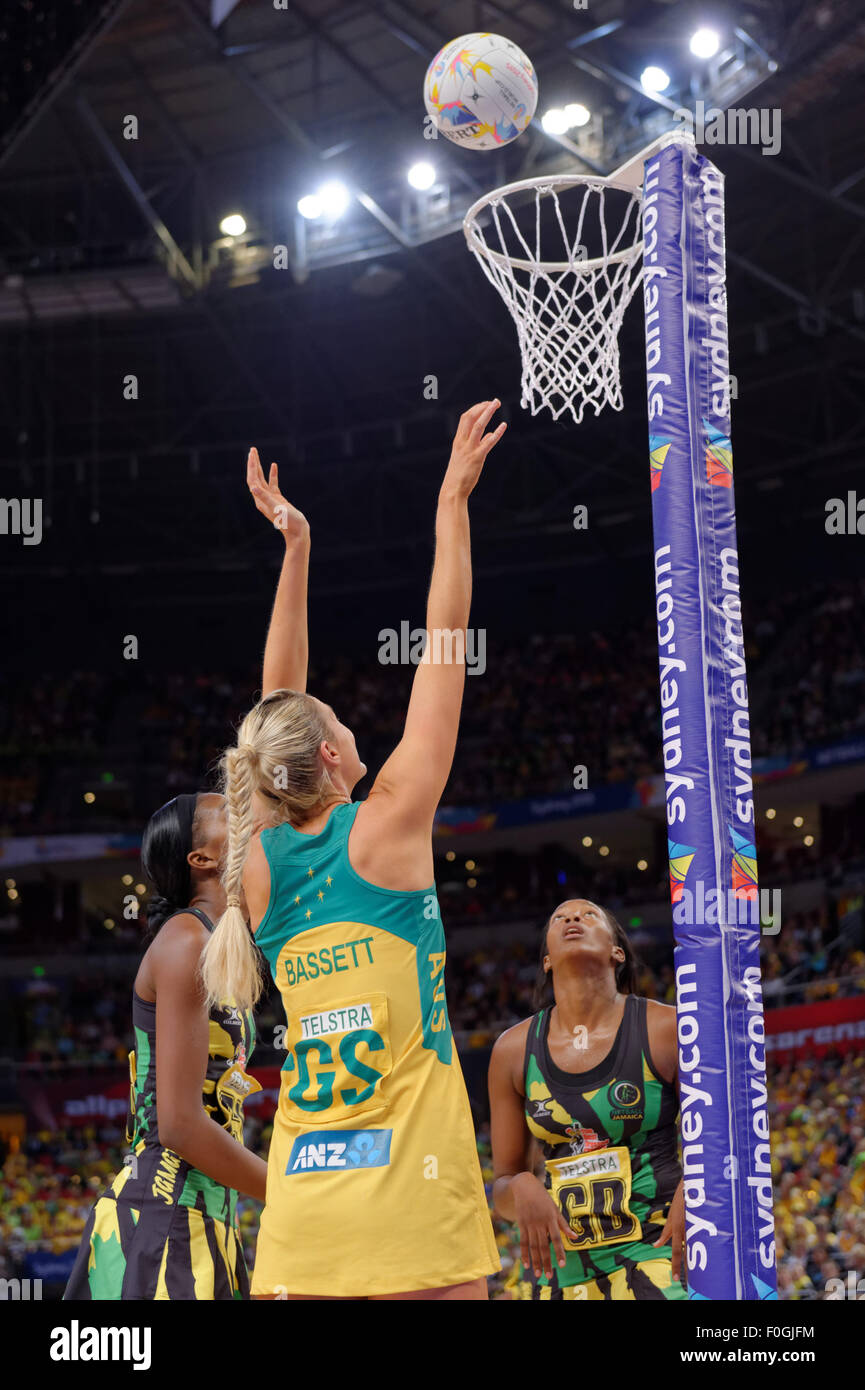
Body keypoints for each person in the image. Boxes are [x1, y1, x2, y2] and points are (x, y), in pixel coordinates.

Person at [200, 400, 507, 1300]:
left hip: (305, 1212)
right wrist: (451, 503)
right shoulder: (389, 823)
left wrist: (296, 549)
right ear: (331, 754)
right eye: (336, 718)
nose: (341, 714)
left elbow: (275, 714)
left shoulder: (255, 866)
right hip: (412, 1196)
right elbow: (445, 639)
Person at [64, 448, 309, 1300]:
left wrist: (296, 551)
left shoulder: (226, 933)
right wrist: (291, 1193)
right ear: (203, 857)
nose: (242, 815)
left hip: (208, 1222)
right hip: (161, 1221)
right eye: (223, 814)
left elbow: (278, 712)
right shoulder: (180, 939)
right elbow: (175, 1121)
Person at [488, 898, 687, 1300]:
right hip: (561, 1271)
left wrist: (698, 1190)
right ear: (546, 961)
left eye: (588, 914)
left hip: (658, 1250)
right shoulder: (512, 1050)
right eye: (559, 917)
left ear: (617, 951)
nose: (572, 918)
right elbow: (503, 1189)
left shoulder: (668, 1027)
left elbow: (727, 1136)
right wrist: (522, 1187)